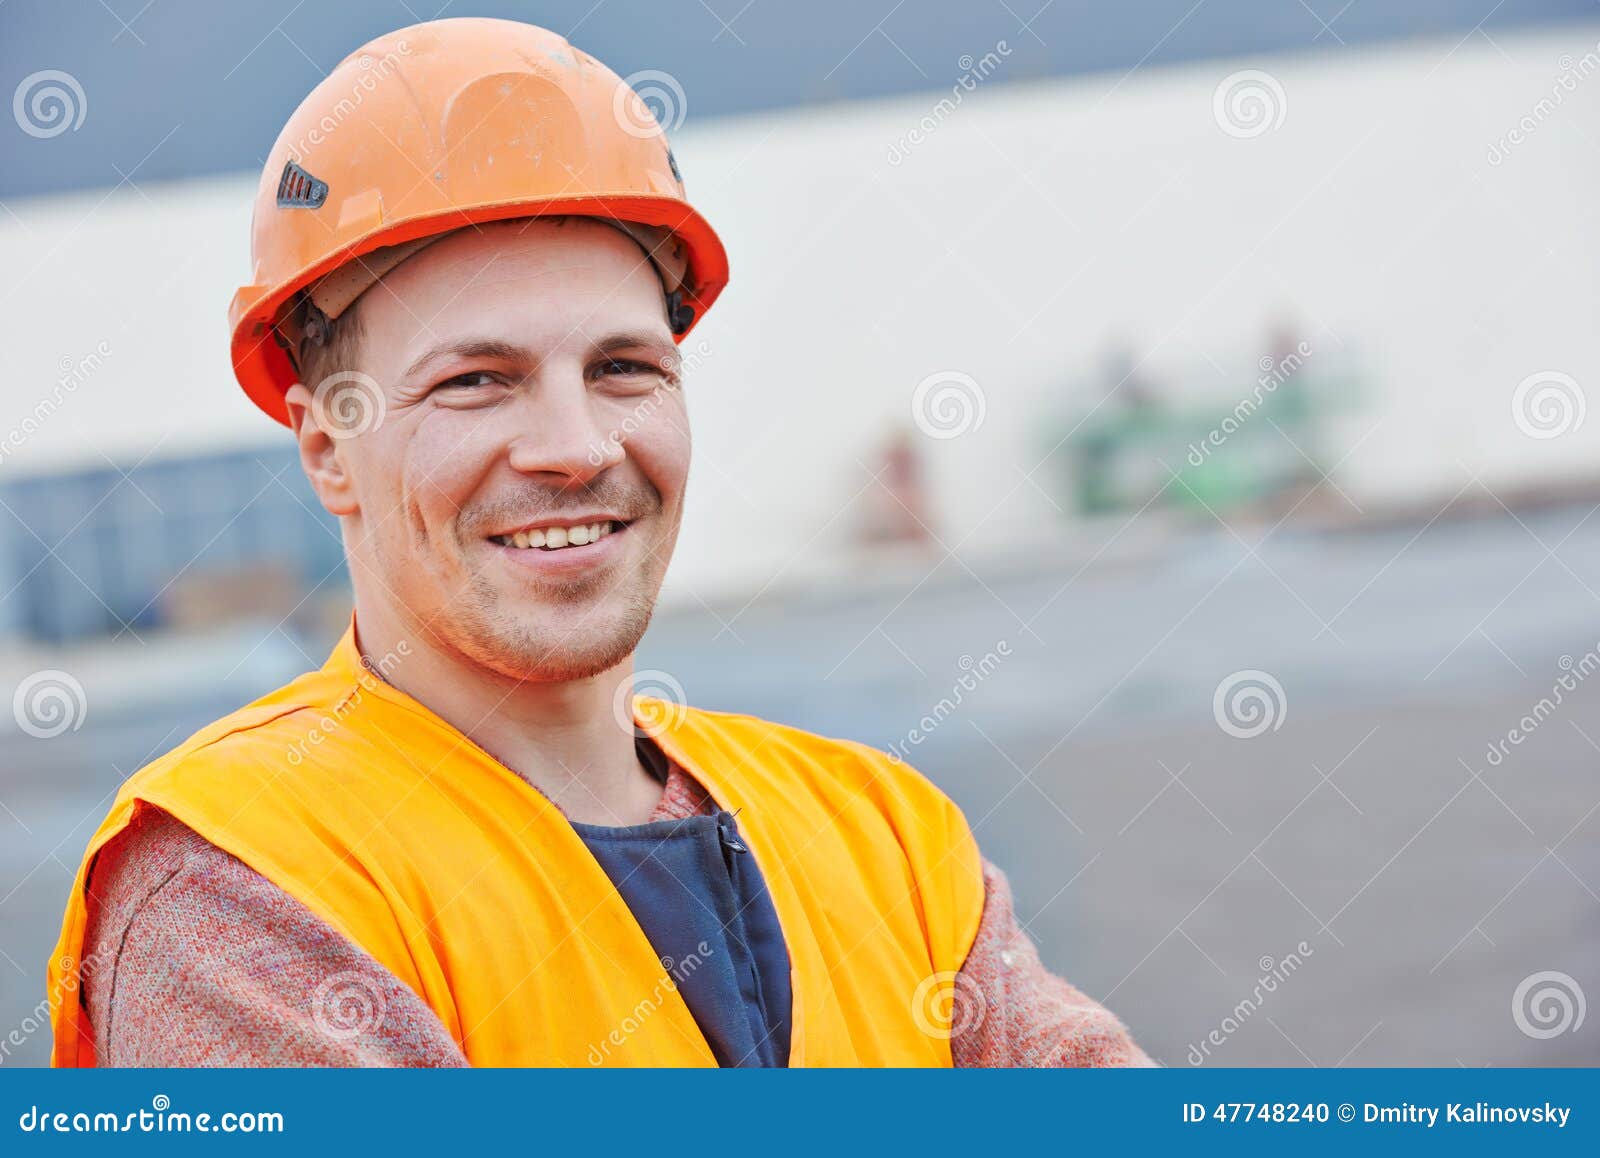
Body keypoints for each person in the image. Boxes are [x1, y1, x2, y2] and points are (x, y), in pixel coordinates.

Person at [47, 17, 1149, 1068]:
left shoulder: (888, 841)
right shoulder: (248, 884)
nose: (575, 448)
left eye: (625, 369)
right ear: (329, 450)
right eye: (477, 381)